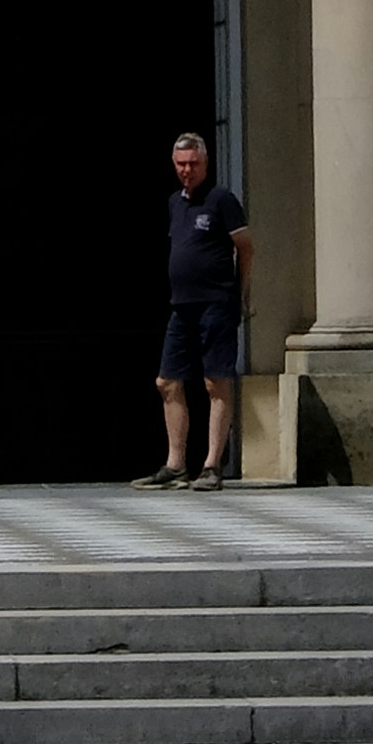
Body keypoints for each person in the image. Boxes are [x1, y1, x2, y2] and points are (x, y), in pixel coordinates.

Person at [143, 128, 253, 488]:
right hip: (182, 306)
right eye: (180, 164)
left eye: (193, 163)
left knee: (215, 381)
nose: (186, 170)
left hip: (216, 304)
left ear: (206, 163)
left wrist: (241, 292)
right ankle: (176, 464)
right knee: (167, 381)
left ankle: (212, 465)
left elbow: (246, 247)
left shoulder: (221, 199)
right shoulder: (176, 202)